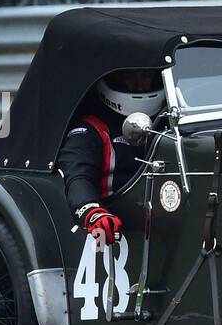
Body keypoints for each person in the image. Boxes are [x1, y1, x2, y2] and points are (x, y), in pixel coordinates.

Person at [56, 69, 165, 243]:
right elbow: (78, 177)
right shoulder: (90, 130)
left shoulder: (168, 122)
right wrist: (93, 213)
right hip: (117, 230)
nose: (138, 86)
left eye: (146, 76)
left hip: (168, 221)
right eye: (128, 77)